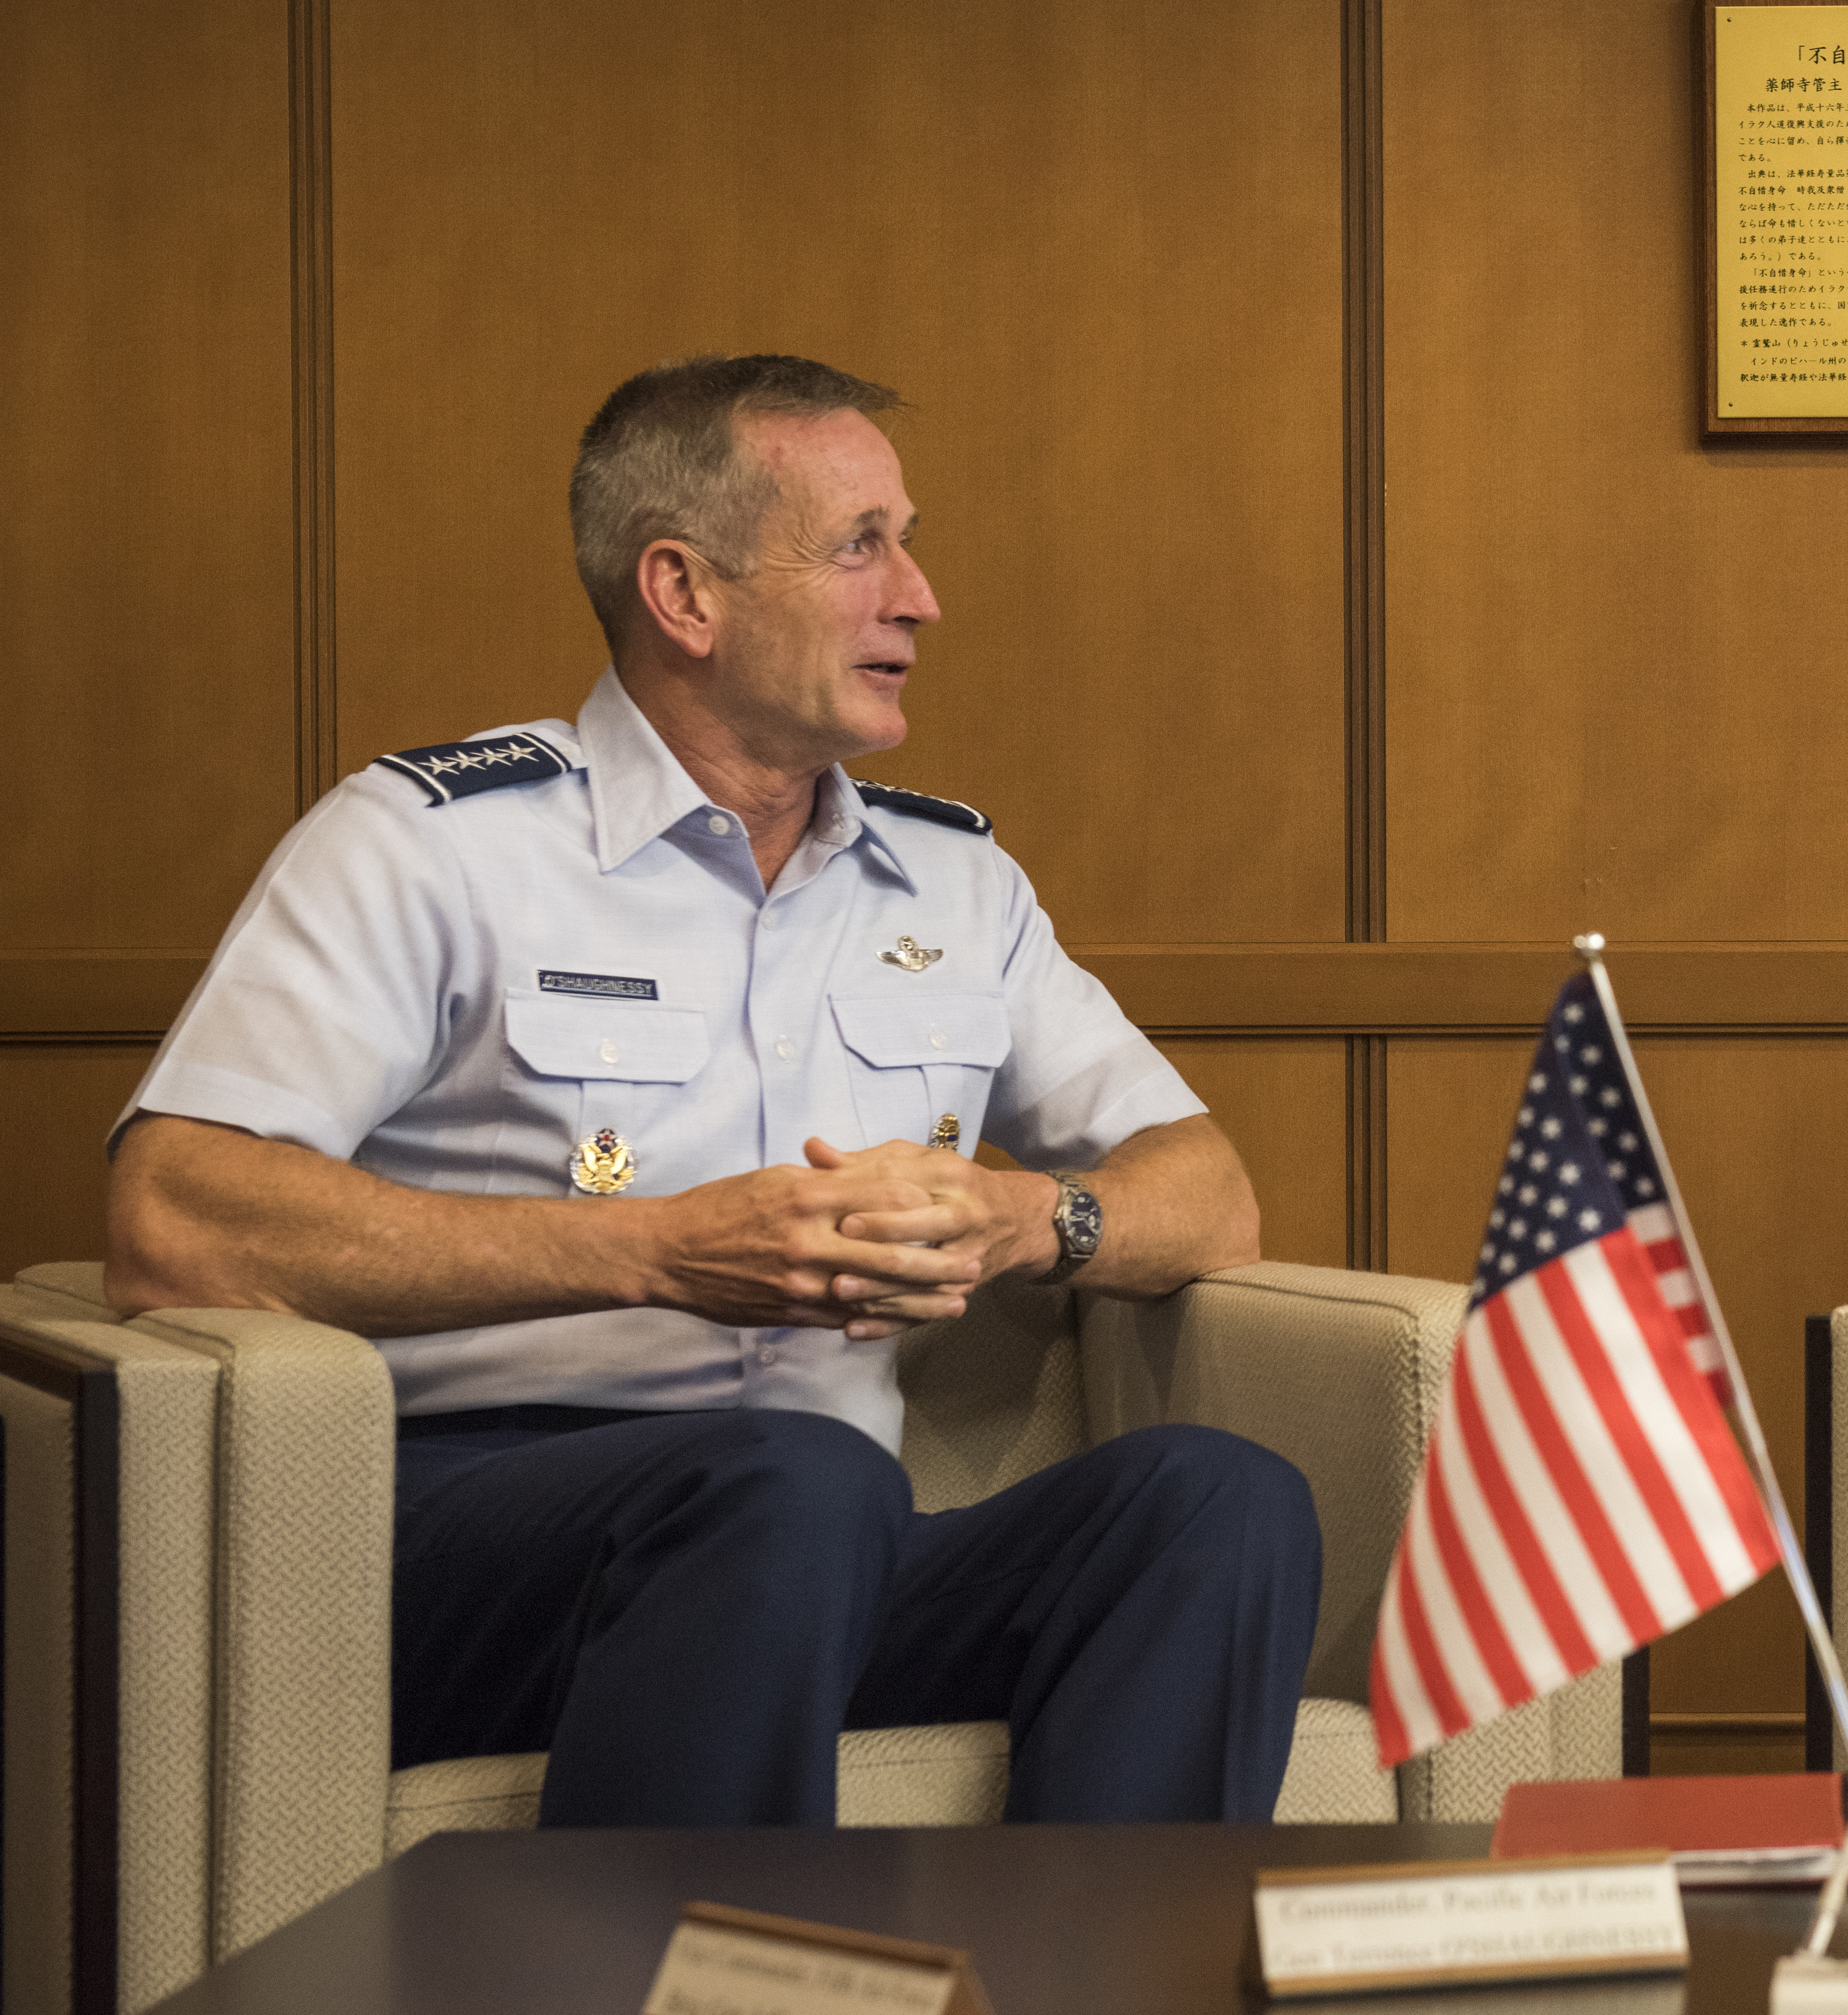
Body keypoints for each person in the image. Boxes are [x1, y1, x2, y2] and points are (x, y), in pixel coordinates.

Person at [104, 354, 1321, 1828]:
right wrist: (660, 1249)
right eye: (863, 545)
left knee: (1212, 1503)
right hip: (462, 1536)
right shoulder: (432, 848)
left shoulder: (956, 884)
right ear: (684, 594)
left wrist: (1021, 1219)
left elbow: (1210, 1192)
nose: (921, 596)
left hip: (827, 1536)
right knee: (790, 1481)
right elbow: (174, 1215)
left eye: (907, 540)